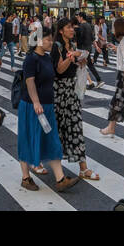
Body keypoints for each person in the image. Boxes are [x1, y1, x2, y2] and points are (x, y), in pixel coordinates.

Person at [17, 24, 80, 192]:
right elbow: (29, 81)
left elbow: (57, 72)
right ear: (37, 40)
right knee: (28, 139)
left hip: (47, 106)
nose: (50, 42)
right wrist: (36, 102)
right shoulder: (31, 59)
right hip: (32, 107)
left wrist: (70, 59)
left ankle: (60, 179)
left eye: (51, 39)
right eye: (47, 39)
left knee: (52, 140)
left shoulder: (46, 57)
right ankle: (25, 177)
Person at [51, 18, 98, 180]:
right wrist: (70, 58)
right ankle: (41, 163)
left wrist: (80, 62)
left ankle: (83, 168)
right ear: (61, 31)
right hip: (59, 92)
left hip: (72, 92)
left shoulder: (71, 46)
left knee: (76, 127)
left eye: (73, 27)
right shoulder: (56, 47)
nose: (73, 30)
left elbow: (73, 67)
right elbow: (58, 69)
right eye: (69, 27)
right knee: (56, 130)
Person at [101, 16, 124, 136]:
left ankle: (111, 127)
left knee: (117, 101)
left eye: (113, 27)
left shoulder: (123, 42)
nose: (112, 29)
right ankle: (112, 127)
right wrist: (117, 48)